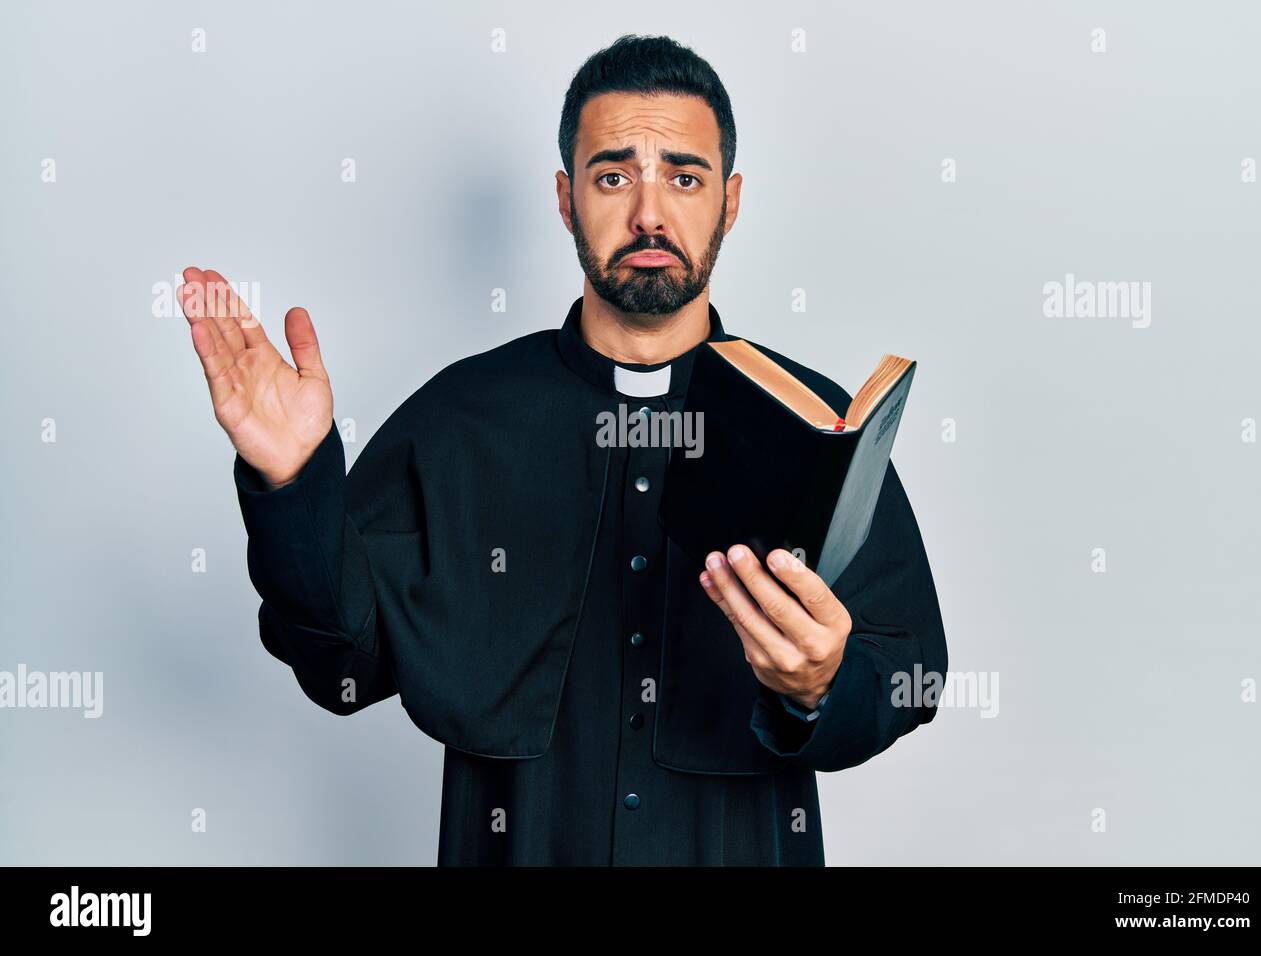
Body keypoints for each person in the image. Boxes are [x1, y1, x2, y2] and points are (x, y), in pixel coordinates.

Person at [177, 33, 947, 866]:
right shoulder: (458, 419)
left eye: (683, 178)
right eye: (613, 175)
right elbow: (339, 667)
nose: (649, 213)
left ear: (729, 202)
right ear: (564, 197)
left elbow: (912, 675)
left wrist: (818, 688)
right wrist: (291, 482)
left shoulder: (815, 433)